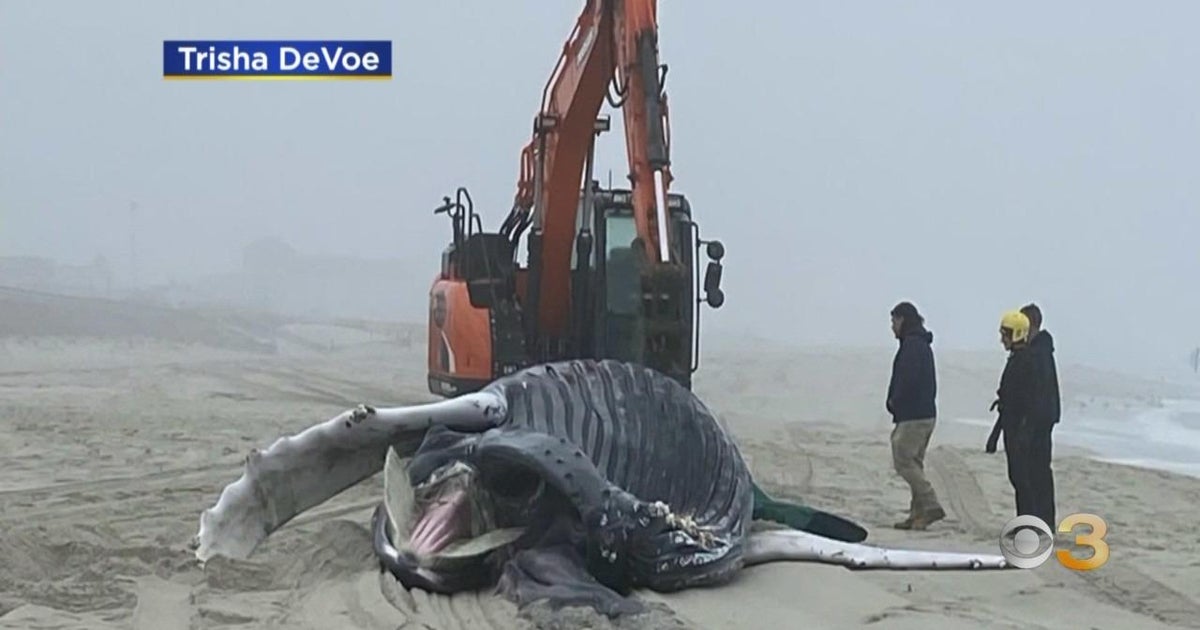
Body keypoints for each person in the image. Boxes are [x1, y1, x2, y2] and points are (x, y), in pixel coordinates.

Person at [886, 301, 945, 530]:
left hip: (914, 415)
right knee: (914, 463)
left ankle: (930, 504)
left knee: (904, 461)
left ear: (902, 320)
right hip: (922, 413)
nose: (892, 326)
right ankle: (917, 514)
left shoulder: (913, 346)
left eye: (894, 321)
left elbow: (907, 381)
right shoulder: (917, 344)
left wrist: (895, 401)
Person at [986, 310, 1045, 524]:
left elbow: (1029, 402)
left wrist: (1024, 432)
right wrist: (995, 435)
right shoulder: (1017, 359)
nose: (1002, 339)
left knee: (1023, 480)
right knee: (1018, 478)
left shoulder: (1026, 362)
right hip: (1013, 428)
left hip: (1020, 430)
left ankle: (1028, 524)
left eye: (1006, 334)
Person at [1020, 302, 1059, 527]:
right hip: (1043, 418)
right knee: (1039, 471)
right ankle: (1043, 521)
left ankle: (1041, 521)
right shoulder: (1039, 350)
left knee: (1036, 472)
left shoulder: (1038, 353)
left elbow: (1039, 390)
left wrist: (1029, 422)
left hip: (1039, 420)